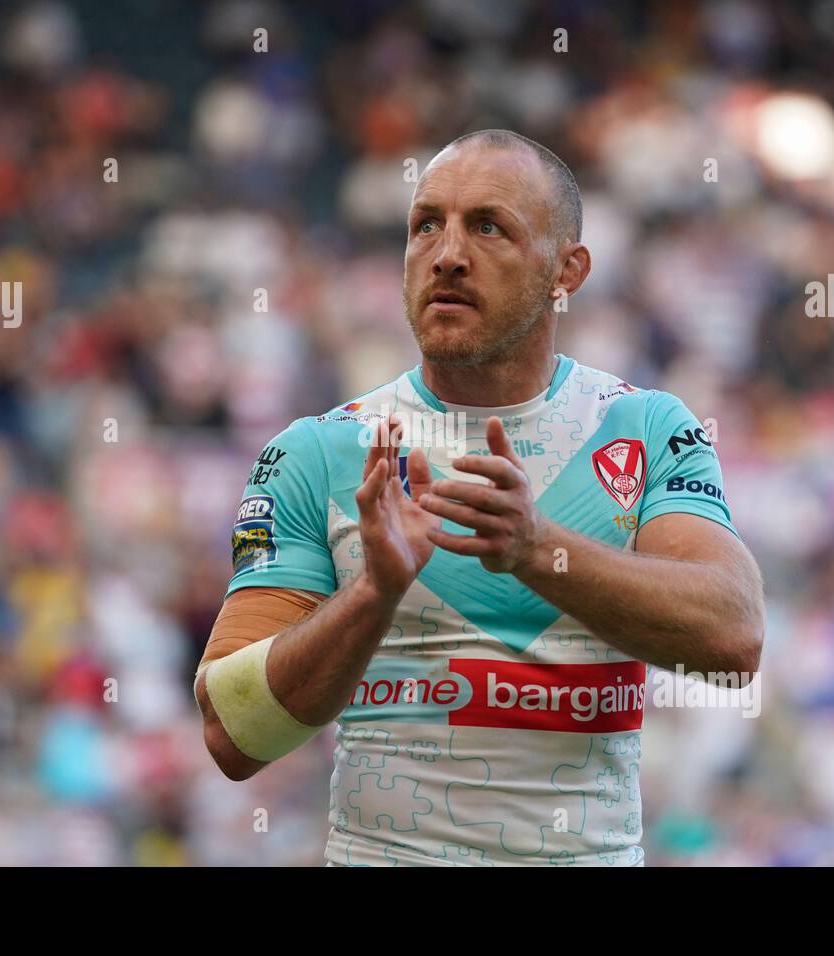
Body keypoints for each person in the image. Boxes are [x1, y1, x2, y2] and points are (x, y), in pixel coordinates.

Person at [194, 129, 765, 866]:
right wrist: (372, 596)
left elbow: (735, 635)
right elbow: (232, 737)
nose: (448, 253)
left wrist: (537, 550)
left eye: (488, 227)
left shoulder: (647, 428)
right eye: (426, 224)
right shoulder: (316, 452)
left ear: (568, 271)